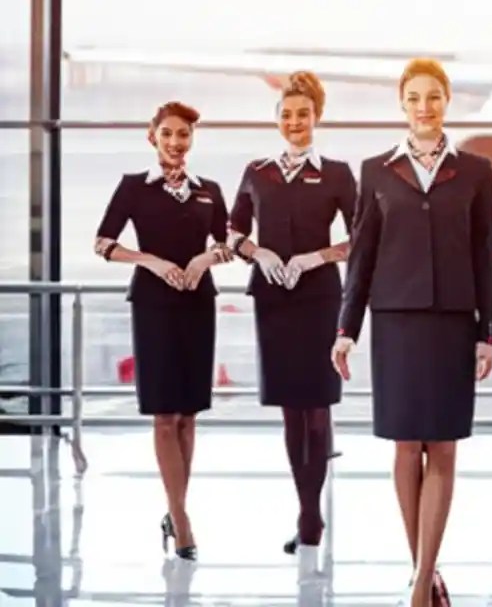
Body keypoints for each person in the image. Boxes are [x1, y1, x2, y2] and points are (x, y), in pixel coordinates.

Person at [331, 58, 492, 607]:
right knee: (406, 446)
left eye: (434, 97)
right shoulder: (377, 170)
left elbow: (482, 258)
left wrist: (486, 332)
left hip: (453, 320)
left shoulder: (475, 170)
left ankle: (422, 584)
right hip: (396, 320)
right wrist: (345, 328)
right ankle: (422, 572)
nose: (424, 107)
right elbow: (363, 254)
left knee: (443, 447)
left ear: (448, 101)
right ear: (402, 105)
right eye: (414, 98)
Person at [92, 101, 232, 561]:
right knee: (164, 415)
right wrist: (150, 261)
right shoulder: (134, 188)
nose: (176, 142)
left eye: (184, 135)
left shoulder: (208, 190)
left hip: (197, 303)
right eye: (168, 133)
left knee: (189, 415)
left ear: (191, 139)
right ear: (152, 136)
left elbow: (228, 242)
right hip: (153, 305)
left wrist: (202, 260)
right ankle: (182, 520)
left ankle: (176, 511)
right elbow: (104, 242)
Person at [226, 71, 357, 554]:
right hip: (273, 299)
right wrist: (258, 253)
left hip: (320, 296)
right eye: (286, 115)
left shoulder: (338, 173)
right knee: (289, 409)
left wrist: (315, 257)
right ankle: (305, 507)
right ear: (277, 119)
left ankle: (310, 514)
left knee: (317, 405)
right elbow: (231, 231)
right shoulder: (257, 171)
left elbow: (364, 234)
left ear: (316, 117)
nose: (295, 122)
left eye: (303, 114)